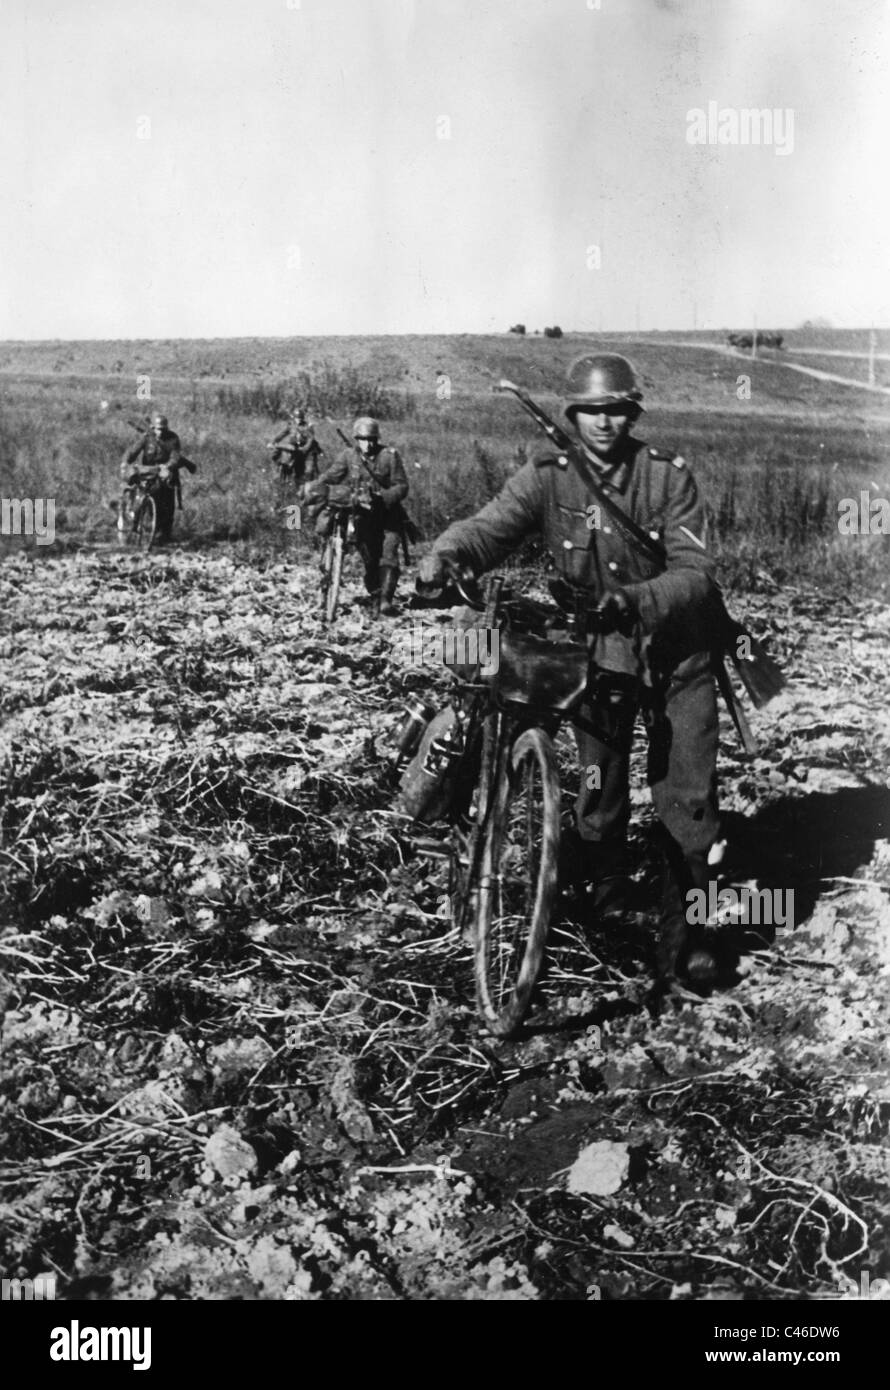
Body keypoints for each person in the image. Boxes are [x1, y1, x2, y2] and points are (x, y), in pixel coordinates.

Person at [418, 353, 721, 989]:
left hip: (677, 658)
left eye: (616, 410)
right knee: (598, 785)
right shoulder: (549, 476)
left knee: (688, 800)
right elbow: (490, 527)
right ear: (573, 414)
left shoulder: (667, 479)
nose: (604, 423)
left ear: (632, 413)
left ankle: (686, 937)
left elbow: (694, 575)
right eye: (591, 411)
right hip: (604, 657)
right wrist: (445, 556)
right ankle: (606, 894)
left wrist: (636, 600)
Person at [307, 416, 409, 614]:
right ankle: (375, 593)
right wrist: (315, 487)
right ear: (356, 439)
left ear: (377, 439)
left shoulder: (389, 456)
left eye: (371, 439)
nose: (368, 444)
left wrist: (382, 497)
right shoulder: (348, 456)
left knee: (389, 554)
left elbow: (402, 486)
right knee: (370, 559)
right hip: (363, 518)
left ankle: (386, 601)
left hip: (389, 515)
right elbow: (331, 475)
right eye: (363, 439)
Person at [119, 413, 196, 543]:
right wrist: (125, 462)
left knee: (167, 506)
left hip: (167, 473)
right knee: (144, 497)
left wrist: (168, 466)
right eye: (158, 429)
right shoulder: (147, 438)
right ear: (153, 428)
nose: (160, 432)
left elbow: (175, 456)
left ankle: (164, 535)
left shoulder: (173, 438)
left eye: (163, 429)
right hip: (149, 473)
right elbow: (133, 451)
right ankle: (136, 521)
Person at [265, 406, 323, 493]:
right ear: (294, 418)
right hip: (296, 452)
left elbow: (310, 440)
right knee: (297, 472)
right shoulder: (291, 426)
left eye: (300, 418)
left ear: (302, 418)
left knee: (309, 472)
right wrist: (273, 442)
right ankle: (299, 492)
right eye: (297, 418)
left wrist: (304, 449)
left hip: (308, 453)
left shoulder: (307, 426)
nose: (298, 420)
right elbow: (282, 434)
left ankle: (313, 491)